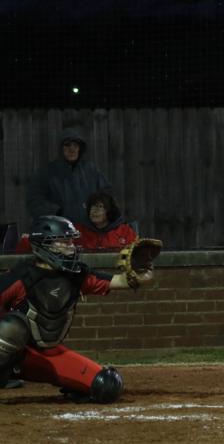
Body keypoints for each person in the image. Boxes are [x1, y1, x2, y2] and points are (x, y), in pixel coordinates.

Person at [0, 215, 154, 402]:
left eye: (71, 241)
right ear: (43, 245)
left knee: (107, 385)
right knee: (11, 327)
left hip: (43, 355)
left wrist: (138, 277)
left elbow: (118, 281)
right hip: (14, 353)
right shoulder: (21, 277)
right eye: (63, 242)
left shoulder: (75, 276)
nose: (70, 247)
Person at [26, 128, 112, 227]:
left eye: (75, 145)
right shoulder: (46, 173)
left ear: (80, 148)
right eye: (67, 145)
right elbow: (34, 200)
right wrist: (57, 211)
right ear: (60, 148)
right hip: (59, 232)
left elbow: (107, 193)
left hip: (90, 231)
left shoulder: (91, 170)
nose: (72, 149)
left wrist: (98, 209)